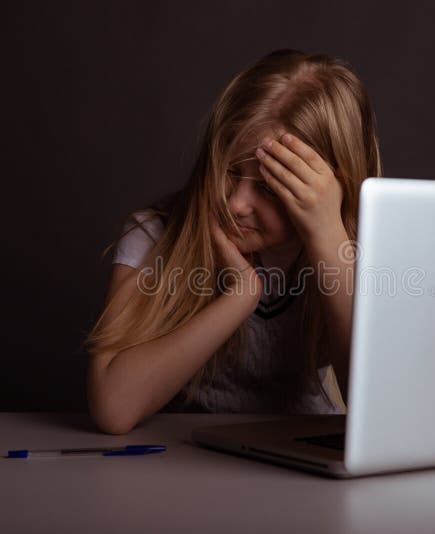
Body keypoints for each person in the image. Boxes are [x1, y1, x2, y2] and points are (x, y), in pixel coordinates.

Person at [83, 48, 383, 435]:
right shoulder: (156, 235)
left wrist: (326, 234)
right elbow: (113, 407)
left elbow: (375, 416)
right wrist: (240, 296)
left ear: (329, 191)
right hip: (180, 455)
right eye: (229, 171)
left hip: (303, 451)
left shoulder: (355, 250)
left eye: (270, 188)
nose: (236, 204)